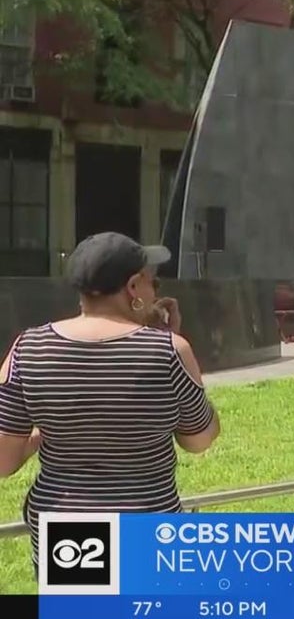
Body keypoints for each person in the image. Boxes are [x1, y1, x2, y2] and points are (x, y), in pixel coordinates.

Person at [0, 232, 219, 572]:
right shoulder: (169, 351)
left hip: (65, 535)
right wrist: (170, 340)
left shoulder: (28, 347)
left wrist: (51, 430)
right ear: (133, 287)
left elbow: (3, 459)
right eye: (153, 282)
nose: (155, 291)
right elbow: (199, 439)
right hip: (148, 526)